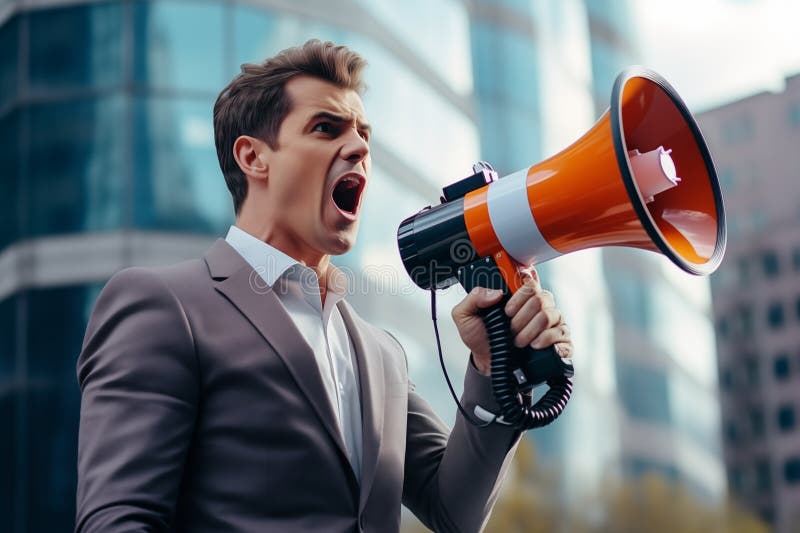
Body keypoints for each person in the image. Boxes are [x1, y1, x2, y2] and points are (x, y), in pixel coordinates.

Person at [75, 39, 573, 533]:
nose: (358, 147)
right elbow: (119, 522)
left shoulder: (382, 355)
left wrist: (493, 367)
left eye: (363, 134)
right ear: (253, 158)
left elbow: (453, 512)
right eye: (326, 128)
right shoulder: (164, 307)